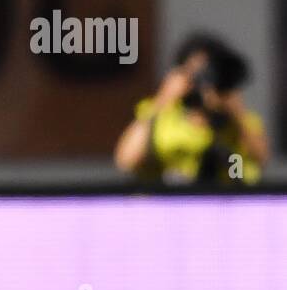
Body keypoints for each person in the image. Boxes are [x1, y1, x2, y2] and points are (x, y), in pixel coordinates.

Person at [114, 34, 268, 186]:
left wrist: (236, 113)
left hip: (227, 203)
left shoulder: (236, 120)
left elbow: (261, 158)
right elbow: (126, 161)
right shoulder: (164, 115)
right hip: (172, 203)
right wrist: (162, 100)